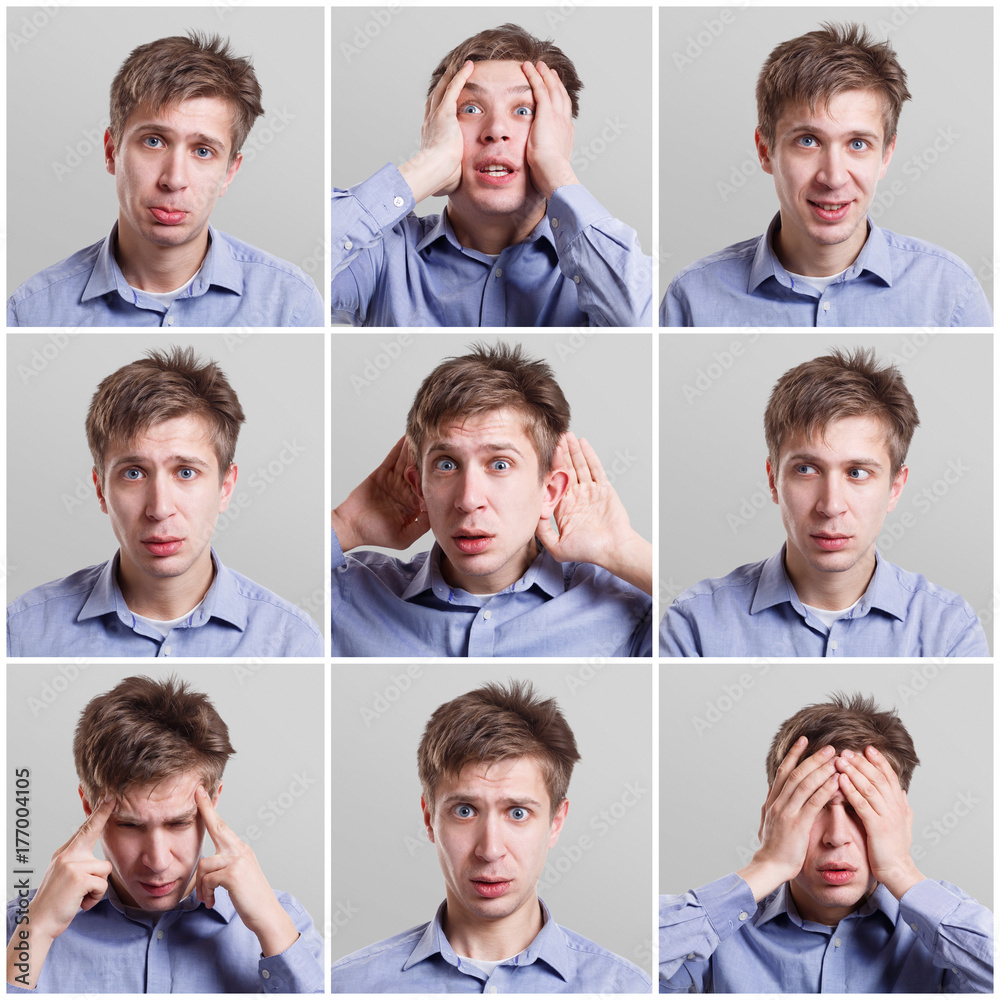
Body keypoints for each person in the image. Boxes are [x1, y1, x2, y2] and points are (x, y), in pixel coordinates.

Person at [661, 347, 988, 656]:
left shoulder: (950, 632)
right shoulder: (696, 624)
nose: (831, 506)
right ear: (773, 479)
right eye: (806, 469)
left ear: (895, 488)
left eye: (857, 473)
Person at [6, 675, 324, 992]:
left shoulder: (286, 924)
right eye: (130, 825)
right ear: (89, 808)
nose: (157, 862)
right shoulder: (20, 926)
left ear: (212, 802)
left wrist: (273, 930)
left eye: (178, 823)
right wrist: (38, 930)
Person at [331, 342, 652, 656]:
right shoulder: (350, 595)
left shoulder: (626, 606)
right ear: (419, 488)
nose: (469, 500)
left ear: (550, 492)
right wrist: (345, 525)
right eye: (446, 464)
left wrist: (621, 550)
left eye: (500, 464)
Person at [661, 22, 992, 327]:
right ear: (765, 151)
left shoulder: (951, 294)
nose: (833, 178)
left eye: (858, 143)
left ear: (886, 155)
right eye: (808, 141)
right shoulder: (693, 298)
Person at [659, 692, 994, 992]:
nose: (836, 837)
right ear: (775, 815)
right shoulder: (717, 927)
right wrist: (766, 867)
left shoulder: (944, 924)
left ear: (899, 816)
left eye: (858, 807)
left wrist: (900, 870)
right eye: (813, 807)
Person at [331, 680, 651, 992]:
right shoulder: (346, 986)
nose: (490, 850)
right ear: (429, 817)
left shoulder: (625, 989)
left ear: (556, 822)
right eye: (465, 811)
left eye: (517, 813)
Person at [6, 347, 322, 656]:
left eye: (185, 472)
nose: (159, 509)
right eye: (133, 474)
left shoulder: (292, 642)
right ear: (101, 490)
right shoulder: (19, 633)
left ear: (225, 487)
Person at [331, 23, 651, 326]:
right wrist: (428, 164)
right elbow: (300, 271)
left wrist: (558, 173)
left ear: (560, 133)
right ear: (435, 130)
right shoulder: (382, 254)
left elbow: (640, 322)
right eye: (471, 109)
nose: (496, 130)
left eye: (524, 111)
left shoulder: (592, 267)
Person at [7, 32, 323, 327]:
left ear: (229, 173)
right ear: (111, 151)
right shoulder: (32, 312)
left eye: (202, 151)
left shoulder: (291, 304)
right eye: (154, 141)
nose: (174, 179)